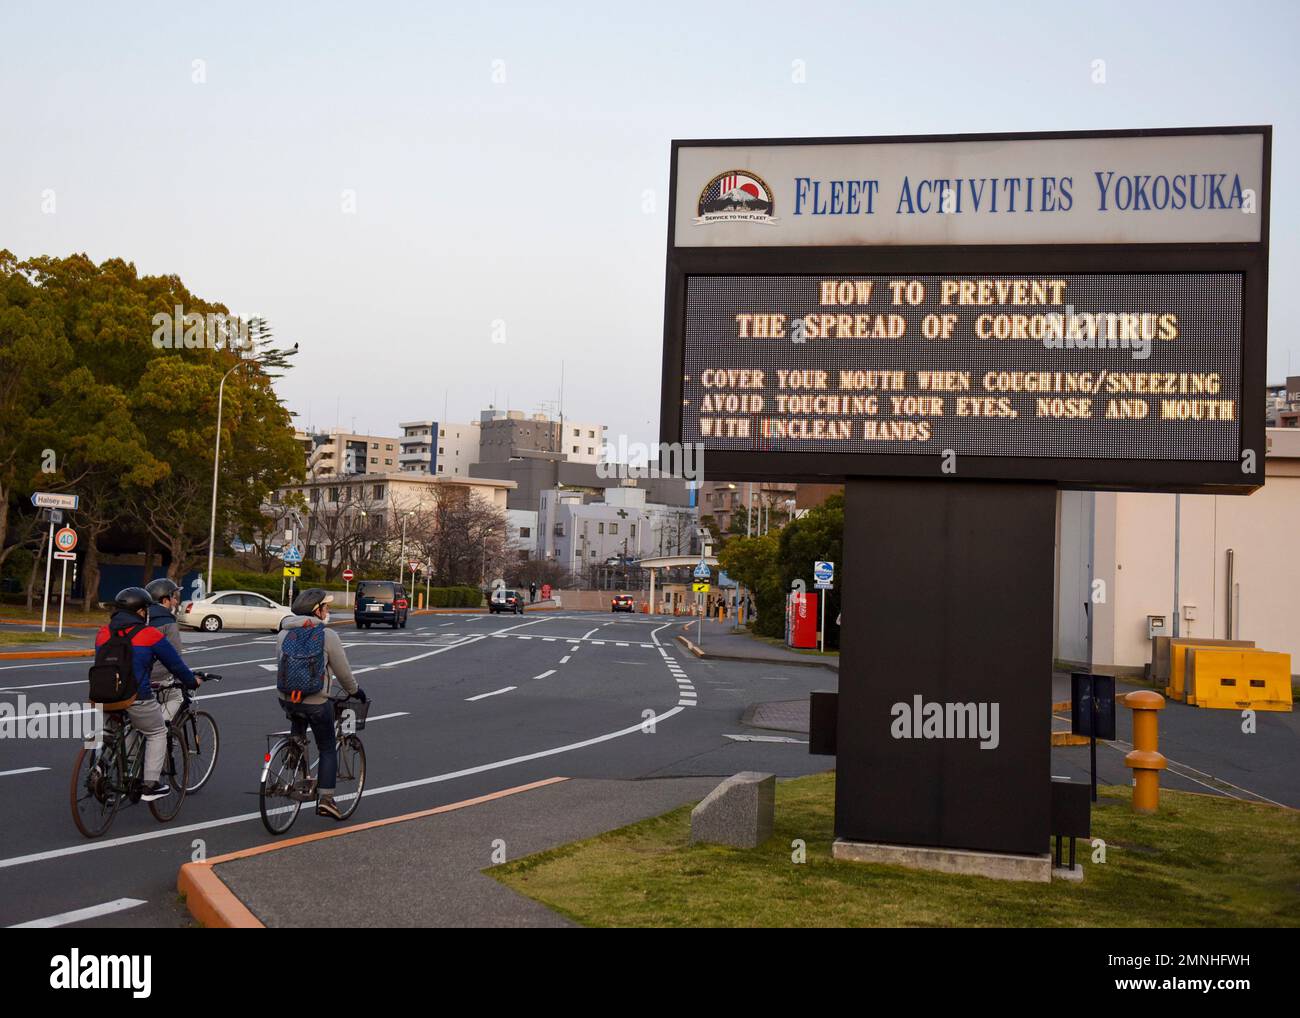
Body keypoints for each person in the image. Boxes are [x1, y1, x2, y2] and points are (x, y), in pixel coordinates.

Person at [95, 587, 204, 801]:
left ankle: (100, 767)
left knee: (111, 734)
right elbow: (175, 664)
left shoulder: (103, 633)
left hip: (103, 695)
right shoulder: (149, 635)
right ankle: (150, 784)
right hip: (136, 696)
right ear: (141, 612)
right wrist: (192, 681)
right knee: (156, 732)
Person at [276, 588, 365, 820]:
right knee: (326, 747)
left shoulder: (284, 634)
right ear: (316, 610)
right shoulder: (327, 635)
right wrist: (355, 691)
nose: (327, 611)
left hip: (286, 698)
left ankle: (292, 756)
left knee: (298, 720)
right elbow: (343, 673)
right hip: (316, 700)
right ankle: (326, 799)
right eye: (325, 607)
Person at [145, 577, 187, 722]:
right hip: (157, 677)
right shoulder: (168, 622)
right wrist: (186, 678)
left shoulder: (141, 618)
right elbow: (175, 656)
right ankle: (159, 728)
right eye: (174, 598)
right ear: (164, 601)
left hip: (134, 676)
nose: (176, 602)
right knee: (177, 697)